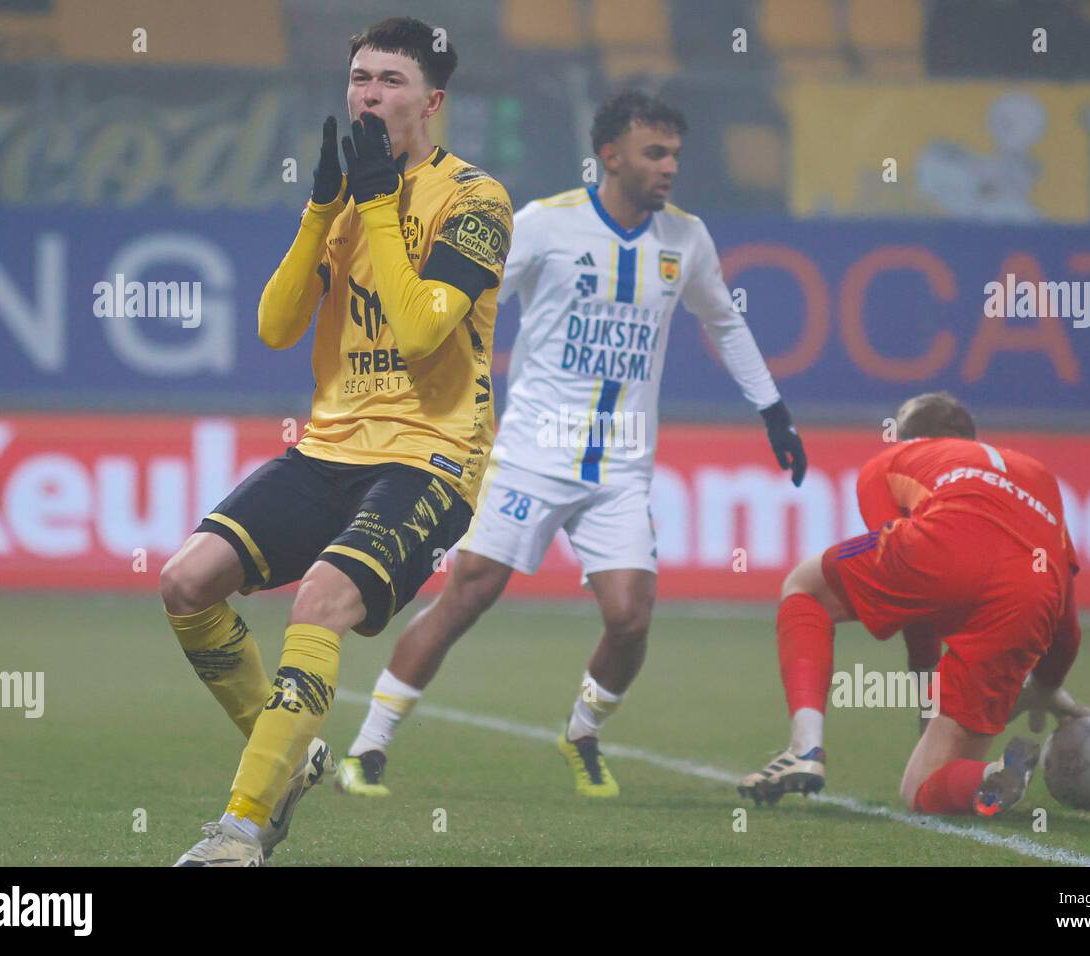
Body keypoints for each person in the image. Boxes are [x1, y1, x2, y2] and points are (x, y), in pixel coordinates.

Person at [338, 90, 807, 800]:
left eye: (676, 154)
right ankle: (367, 749)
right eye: (655, 153)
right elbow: (465, 296)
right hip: (531, 452)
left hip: (621, 465)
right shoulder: (544, 226)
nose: (669, 167)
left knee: (630, 617)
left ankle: (582, 730)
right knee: (468, 596)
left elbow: (726, 323)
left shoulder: (688, 239)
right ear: (611, 156)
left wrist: (773, 411)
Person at [160, 17, 514, 865]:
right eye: (360, 77)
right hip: (330, 445)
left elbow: (425, 328)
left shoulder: (476, 199)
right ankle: (290, 759)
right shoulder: (347, 200)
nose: (369, 93)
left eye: (391, 80)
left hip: (433, 451)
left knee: (320, 600)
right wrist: (324, 209)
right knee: (184, 582)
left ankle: (241, 829)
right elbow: (277, 326)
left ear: (431, 101)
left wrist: (382, 207)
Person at [739, 391, 1089, 815]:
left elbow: (915, 590)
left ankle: (805, 747)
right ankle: (990, 774)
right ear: (969, 437)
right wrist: (1046, 686)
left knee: (804, 586)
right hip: (1030, 597)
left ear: (904, 437)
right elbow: (1066, 626)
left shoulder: (889, 462)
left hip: (944, 546)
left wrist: (925, 681)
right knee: (923, 789)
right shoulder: (1037, 474)